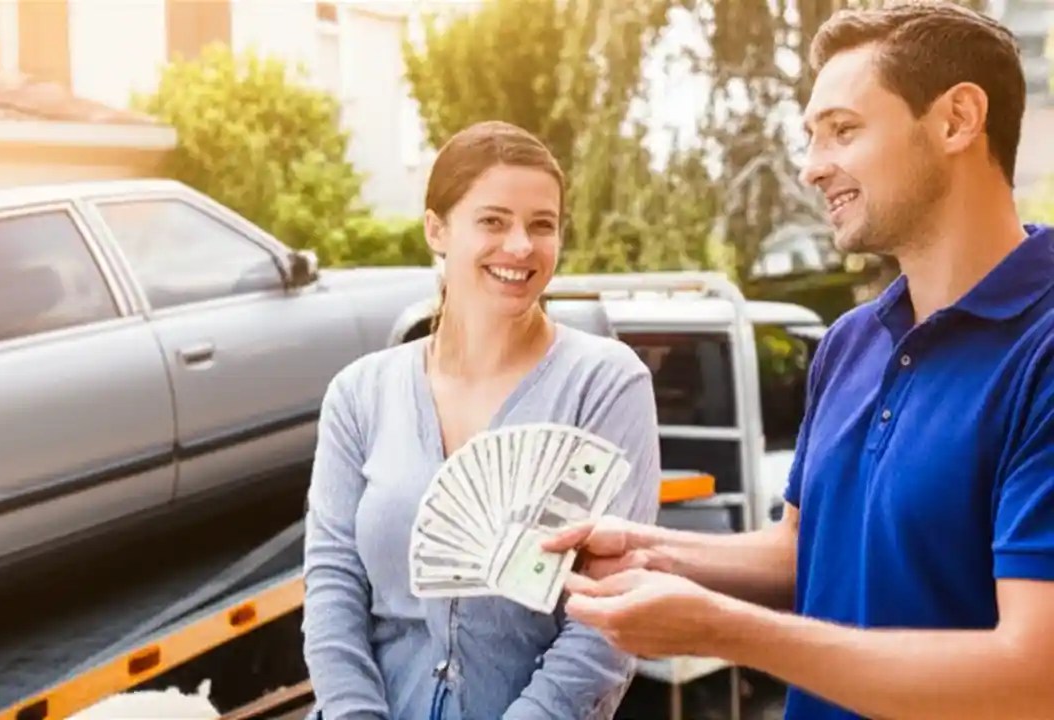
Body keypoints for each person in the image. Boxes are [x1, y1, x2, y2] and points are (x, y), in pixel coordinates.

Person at [543, 2, 1054, 719]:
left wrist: (721, 630)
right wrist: (650, 553)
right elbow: (801, 550)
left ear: (956, 120)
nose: (813, 168)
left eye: (843, 130)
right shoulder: (848, 342)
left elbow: (1034, 676)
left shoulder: (1044, 352)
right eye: (811, 137)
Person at [300, 120, 663, 720]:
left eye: (542, 225)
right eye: (493, 221)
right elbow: (333, 585)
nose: (520, 246)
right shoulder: (359, 394)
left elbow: (607, 618)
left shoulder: (605, 383)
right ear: (436, 230)